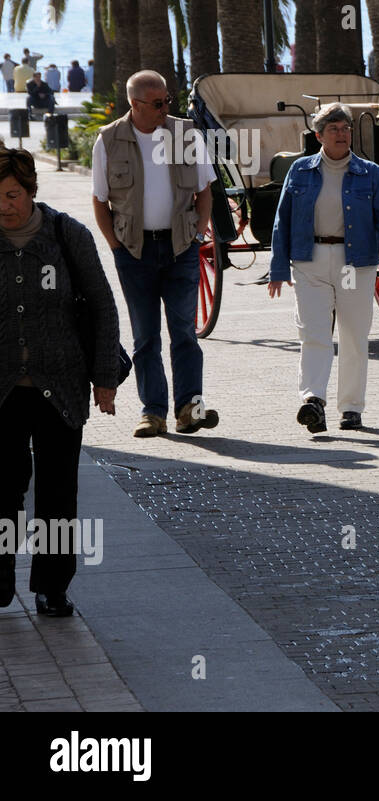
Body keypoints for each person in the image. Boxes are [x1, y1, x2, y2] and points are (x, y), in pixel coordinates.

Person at [1, 146, 120, 617]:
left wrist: (105, 379)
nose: (4, 205)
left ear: (31, 191)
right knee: (2, 490)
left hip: (61, 390)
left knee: (57, 495)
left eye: (12, 195)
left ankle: (52, 585)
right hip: (3, 391)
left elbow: (103, 306)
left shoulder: (67, 235)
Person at [90, 69, 220, 437]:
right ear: (135, 103)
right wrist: (115, 246)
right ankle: (153, 412)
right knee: (145, 337)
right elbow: (100, 200)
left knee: (184, 332)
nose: (166, 108)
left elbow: (205, 189)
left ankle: (190, 409)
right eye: (158, 102)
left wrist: (197, 232)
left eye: (168, 101)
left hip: (180, 248)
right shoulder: (109, 140)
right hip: (134, 252)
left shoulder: (185, 133)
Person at [268, 103, 379, 434]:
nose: (342, 134)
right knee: (313, 333)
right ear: (319, 136)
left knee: (354, 336)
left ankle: (352, 408)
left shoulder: (371, 174)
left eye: (346, 128)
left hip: (353, 264)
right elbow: (282, 221)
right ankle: (313, 399)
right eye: (334, 129)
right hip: (310, 260)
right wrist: (278, 268)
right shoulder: (299, 171)